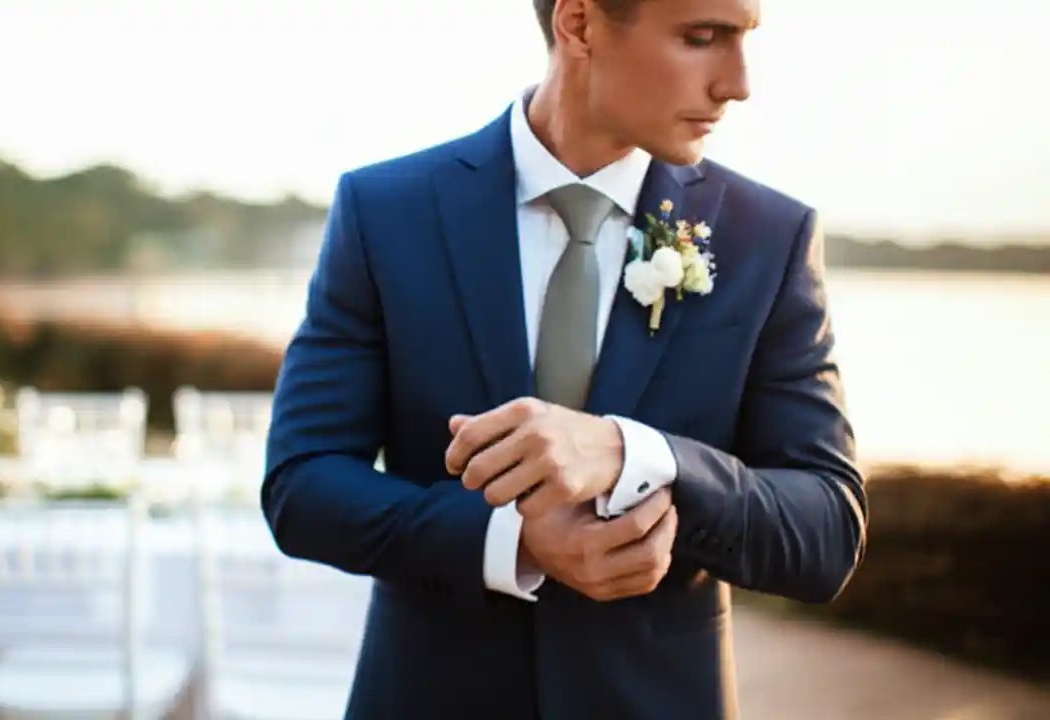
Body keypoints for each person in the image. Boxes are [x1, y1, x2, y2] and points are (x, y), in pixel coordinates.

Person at [261, 0, 868, 717]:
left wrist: (635, 454)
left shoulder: (769, 236)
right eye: (702, 38)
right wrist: (510, 542)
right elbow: (303, 484)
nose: (737, 83)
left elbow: (828, 529)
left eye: (744, 40)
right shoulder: (386, 210)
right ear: (578, 23)